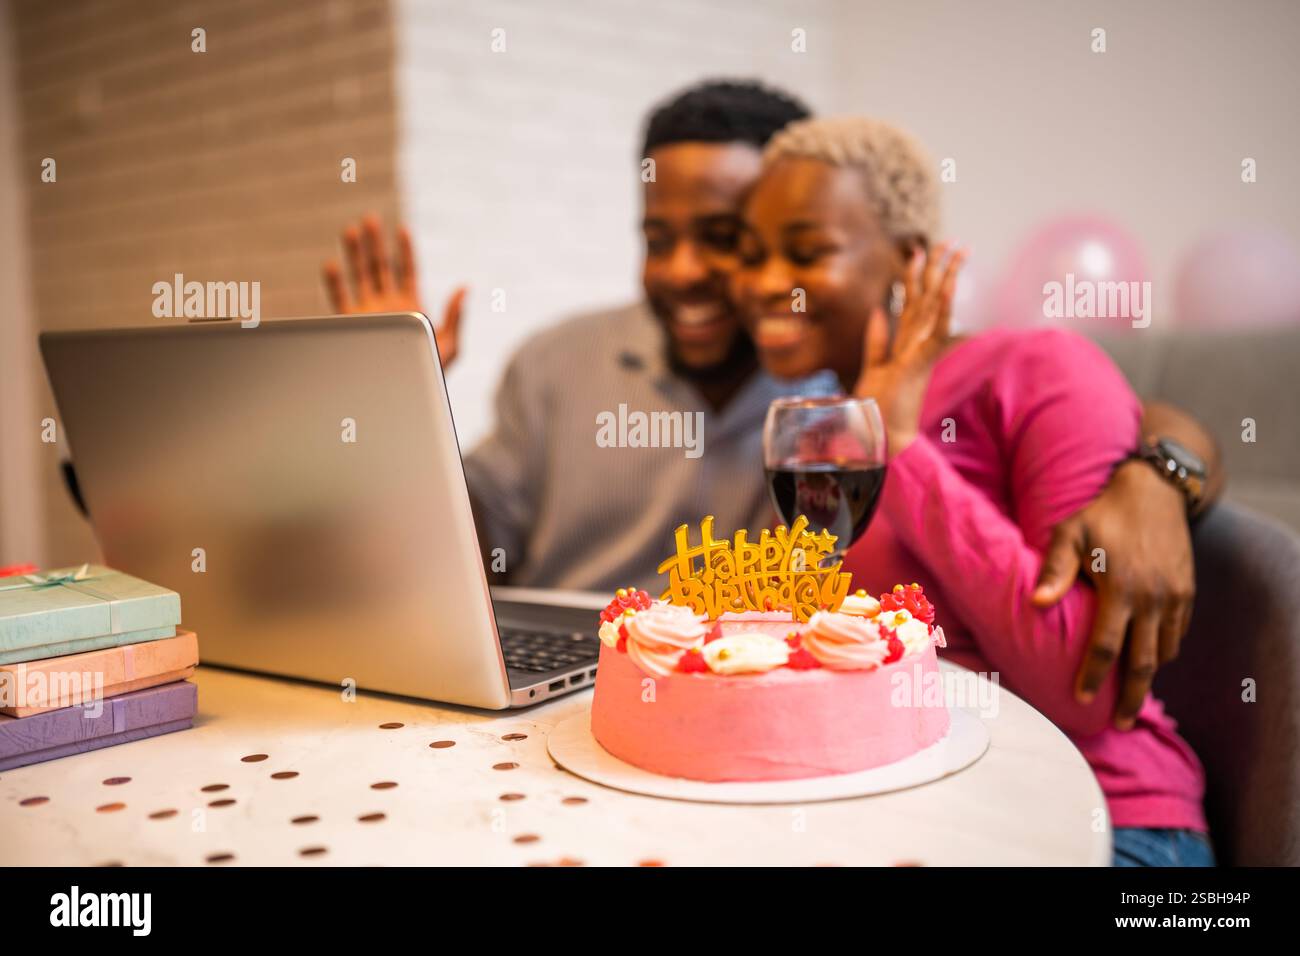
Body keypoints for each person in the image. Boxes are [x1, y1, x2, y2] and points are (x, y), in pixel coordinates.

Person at [321, 79, 1221, 734]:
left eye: (725, 239)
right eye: (657, 237)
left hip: (726, 719)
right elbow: (466, 548)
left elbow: (1107, 410)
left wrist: (1165, 471)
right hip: (543, 702)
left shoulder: (837, 399)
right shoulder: (555, 362)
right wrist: (399, 417)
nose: (686, 271)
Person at [731, 115, 1216, 866]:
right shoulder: (822, 433)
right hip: (917, 808)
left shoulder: (1043, 369)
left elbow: (1077, 689)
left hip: (1102, 818)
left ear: (908, 259)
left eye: (806, 251)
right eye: (752, 254)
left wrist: (908, 447)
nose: (764, 283)